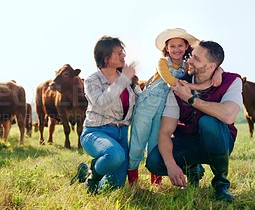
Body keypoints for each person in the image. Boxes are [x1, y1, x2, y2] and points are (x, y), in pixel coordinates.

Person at [145, 40, 242, 201]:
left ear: (212, 67)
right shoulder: (179, 85)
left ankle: (220, 183)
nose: (189, 60)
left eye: (196, 58)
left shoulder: (231, 81)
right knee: (154, 161)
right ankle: (191, 168)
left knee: (209, 122)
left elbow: (228, 115)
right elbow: (165, 132)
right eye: (192, 56)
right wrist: (170, 164)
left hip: (218, 141)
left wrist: (190, 99)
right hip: (188, 142)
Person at [128, 28, 223, 186]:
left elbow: (208, 66)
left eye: (180, 45)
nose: (176, 49)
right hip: (148, 105)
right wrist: (185, 85)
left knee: (154, 146)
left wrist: (219, 70)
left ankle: (156, 184)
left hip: (165, 109)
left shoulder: (188, 65)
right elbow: (168, 79)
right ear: (166, 48)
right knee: (138, 143)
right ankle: (133, 184)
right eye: (172, 46)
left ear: (186, 47)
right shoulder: (163, 62)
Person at [71, 36, 141, 194]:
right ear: (106, 58)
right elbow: (101, 102)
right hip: (96, 132)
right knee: (115, 155)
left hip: (121, 134)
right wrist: (123, 79)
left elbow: (142, 101)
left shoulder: (129, 81)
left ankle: (88, 172)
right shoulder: (92, 80)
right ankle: (93, 178)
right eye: (119, 54)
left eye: (123, 53)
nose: (123, 57)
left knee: (113, 187)